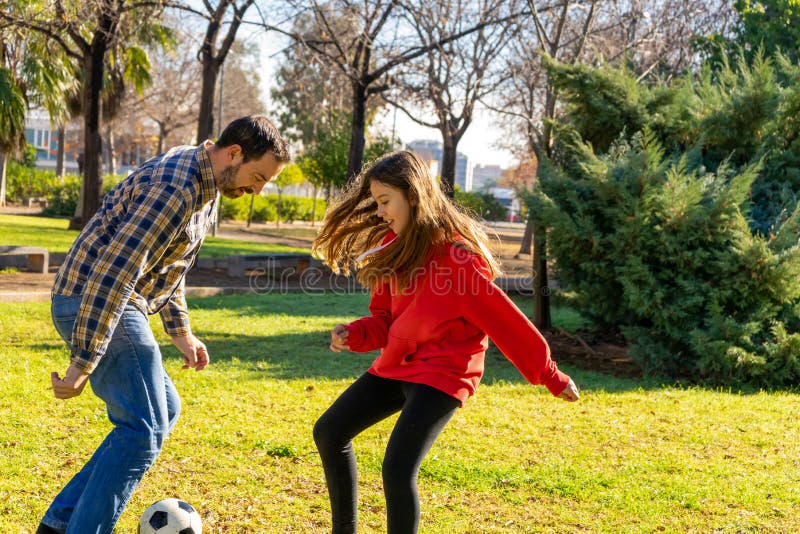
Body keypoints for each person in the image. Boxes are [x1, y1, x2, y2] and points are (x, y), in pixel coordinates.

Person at [37, 115, 290, 534]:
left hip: (114, 300)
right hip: (94, 299)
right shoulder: (178, 190)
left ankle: (60, 523)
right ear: (234, 153)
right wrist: (82, 364)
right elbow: (113, 274)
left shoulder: (205, 181)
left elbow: (168, 265)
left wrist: (181, 332)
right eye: (258, 177)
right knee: (144, 428)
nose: (257, 191)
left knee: (163, 410)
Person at [312, 150, 580, 534]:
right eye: (376, 203)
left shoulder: (458, 262)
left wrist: (550, 376)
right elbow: (384, 321)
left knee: (397, 468)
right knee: (329, 431)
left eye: (385, 202)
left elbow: (508, 326)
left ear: (414, 195)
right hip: (399, 363)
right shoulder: (394, 246)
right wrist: (353, 334)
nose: (380, 212)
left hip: (444, 373)